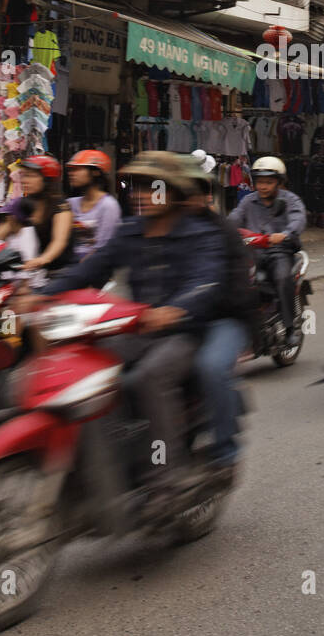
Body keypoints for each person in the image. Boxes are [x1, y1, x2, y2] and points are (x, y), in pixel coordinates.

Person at [35, 152, 229, 510]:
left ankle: (165, 479)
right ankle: (97, 465)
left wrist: (176, 310)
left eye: (150, 187)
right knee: (85, 372)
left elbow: (207, 282)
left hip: (183, 334)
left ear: (172, 192)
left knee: (149, 377)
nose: (139, 194)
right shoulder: (130, 232)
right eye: (135, 187)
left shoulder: (200, 234)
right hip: (135, 329)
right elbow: (89, 269)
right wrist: (39, 294)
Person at [185, 152, 256, 485]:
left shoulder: (222, 232)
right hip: (175, 319)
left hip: (223, 318)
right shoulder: (156, 230)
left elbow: (233, 289)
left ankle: (226, 451)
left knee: (211, 366)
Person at [229, 156, 307, 346]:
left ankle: (290, 329)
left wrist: (286, 234)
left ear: (279, 182)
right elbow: (234, 218)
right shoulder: (248, 201)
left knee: (282, 278)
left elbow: (299, 219)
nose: (263, 186)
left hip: (279, 251)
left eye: (268, 182)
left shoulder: (290, 200)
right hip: (252, 251)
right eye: (260, 182)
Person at [0, 156, 76, 275]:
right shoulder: (21, 204)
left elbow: (59, 242)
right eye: (23, 175)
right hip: (28, 272)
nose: (24, 180)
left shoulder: (61, 207)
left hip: (59, 272)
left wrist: (43, 259)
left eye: (31, 176)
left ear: (47, 180)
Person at [67, 149, 122, 258]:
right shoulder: (70, 203)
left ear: (95, 172)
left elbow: (103, 248)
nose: (71, 174)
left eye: (77, 169)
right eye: (70, 169)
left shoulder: (108, 205)